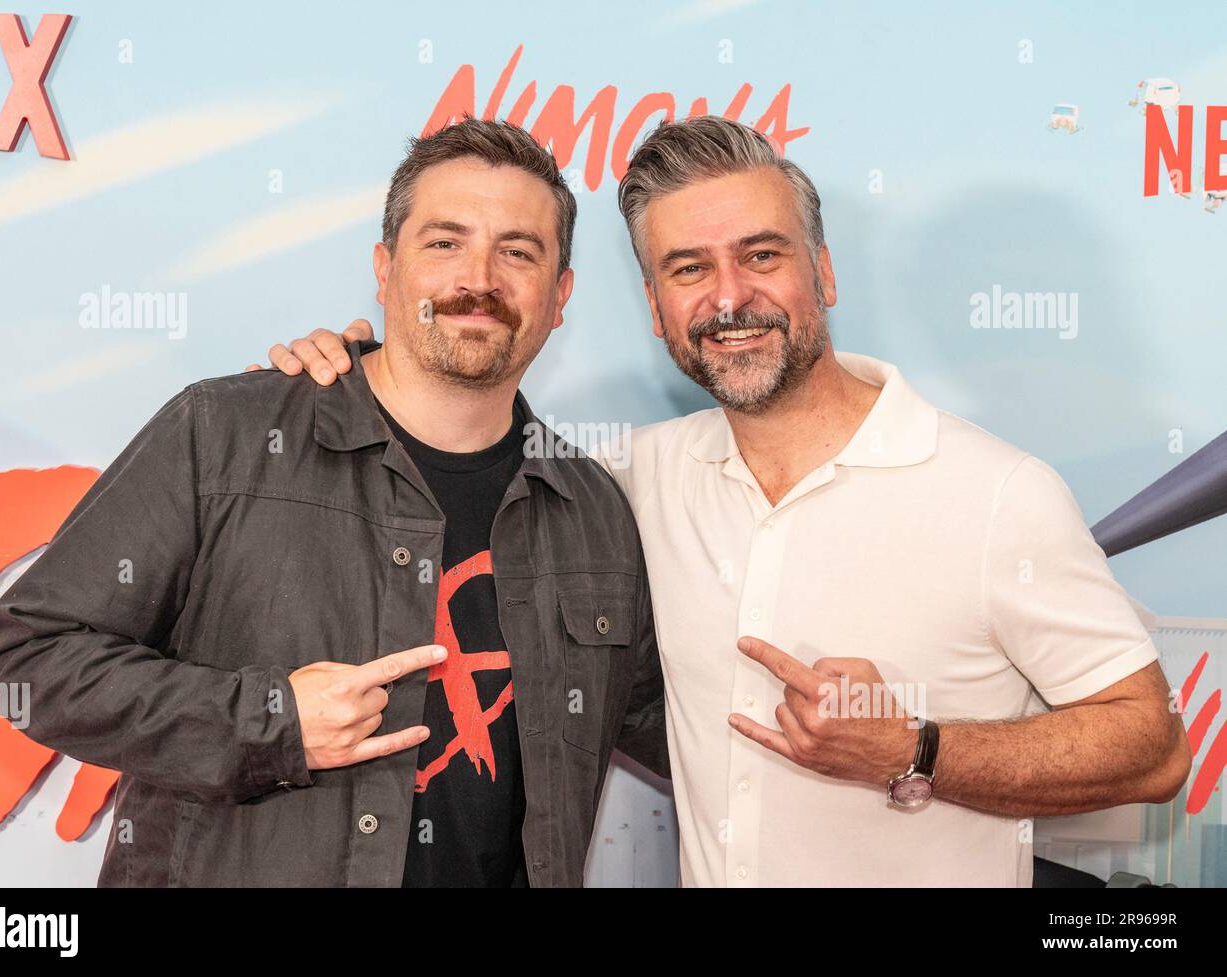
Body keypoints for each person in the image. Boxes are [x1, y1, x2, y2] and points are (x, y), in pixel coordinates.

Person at [262, 116, 1192, 887]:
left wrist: (915, 747)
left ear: (822, 273)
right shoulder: (627, 483)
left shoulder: (996, 491)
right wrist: (360, 360)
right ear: (656, 306)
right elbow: (454, 431)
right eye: (689, 268)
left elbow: (1152, 751)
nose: (731, 296)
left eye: (761, 254)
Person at [0, 119, 667, 888]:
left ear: (560, 294)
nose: (478, 277)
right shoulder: (224, 434)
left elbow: (681, 731)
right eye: (445, 242)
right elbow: (32, 657)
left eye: (517, 250)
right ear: (385, 269)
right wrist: (273, 721)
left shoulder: (594, 512)